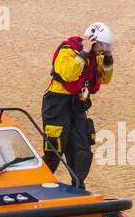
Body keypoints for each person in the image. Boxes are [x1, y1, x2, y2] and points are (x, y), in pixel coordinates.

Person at [41, 21, 115, 189]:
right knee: (54, 149)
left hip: (78, 104)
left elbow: (105, 79)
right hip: (57, 103)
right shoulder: (68, 50)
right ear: (93, 41)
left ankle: (78, 185)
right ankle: (35, 185)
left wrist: (108, 56)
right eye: (102, 45)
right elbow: (69, 74)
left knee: (81, 149)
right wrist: (84, 52)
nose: (103, 49)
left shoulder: (96, 57)